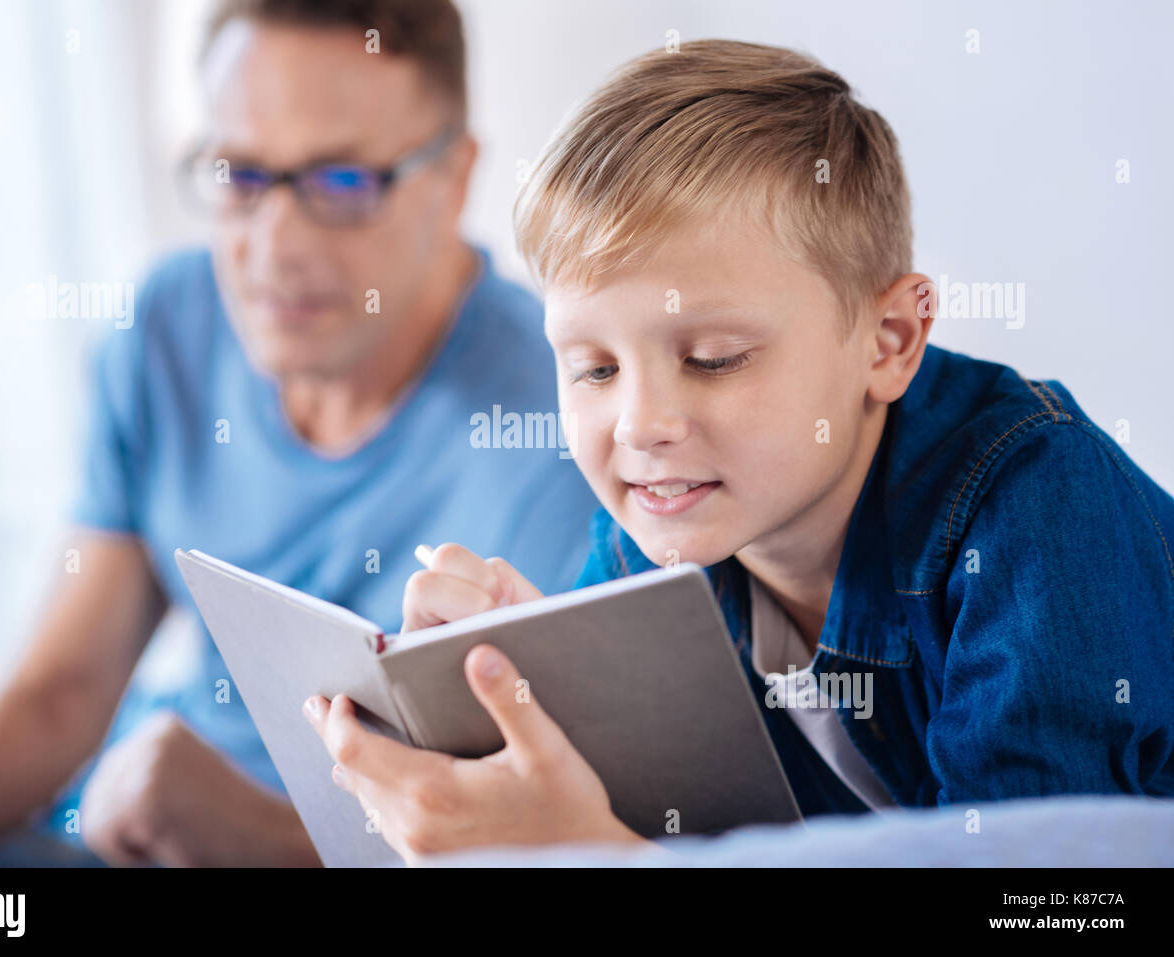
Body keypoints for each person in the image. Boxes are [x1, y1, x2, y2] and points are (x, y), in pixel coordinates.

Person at [302, 39, 1174, 865]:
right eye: (594, 367)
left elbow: (1057, 908)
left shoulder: (1038, 501)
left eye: (712, 358)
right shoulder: (658, 528)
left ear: (889, 340)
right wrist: (507, 718)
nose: (641, 425)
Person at [0, 0, 597, 867]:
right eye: (240, 176)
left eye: (340, 184)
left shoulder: (561, 430)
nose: (276, 246)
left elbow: (526, 839)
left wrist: (253, 835)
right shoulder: (165, 333)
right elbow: (58, 699)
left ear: (455, 180)